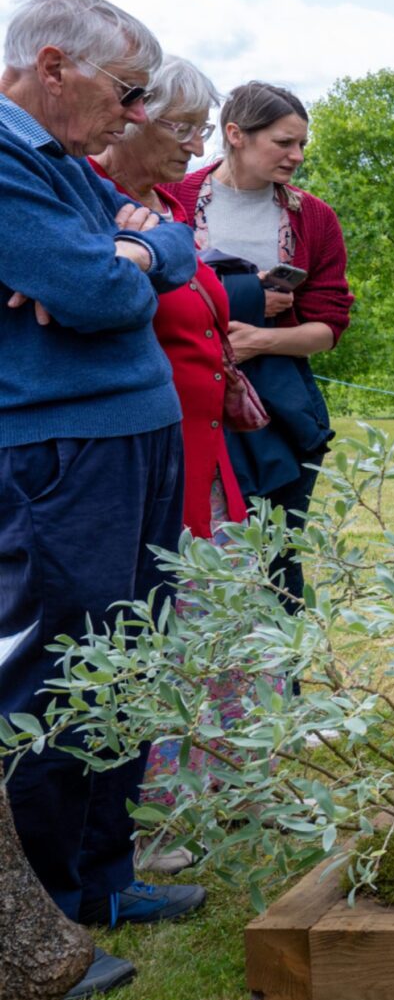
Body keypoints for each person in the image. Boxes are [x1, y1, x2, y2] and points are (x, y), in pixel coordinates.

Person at [0, 0, 207, 1000]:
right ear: (53, 66)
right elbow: (97, 292)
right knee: (61, 669)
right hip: (60, 449)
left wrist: (136, 246)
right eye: (125, 92)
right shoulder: (8, 160)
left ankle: (105, 877)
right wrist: (122, 257)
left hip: (132, 433)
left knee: (131, 659)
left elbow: (171, 247)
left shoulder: (62, 164)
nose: (133, 116)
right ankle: (41, 919)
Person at [95, 57, 267, 868]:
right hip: (147, 457)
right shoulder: (95, 200)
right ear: (129, 116)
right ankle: (149, 817)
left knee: (224, 626)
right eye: (182, 127)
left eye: (201, 129)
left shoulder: (167, 211)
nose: (196, 145)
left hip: (207, 451)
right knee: (160, 637)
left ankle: (228, 787)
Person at [167, 83, 353, 607]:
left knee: (279, 557)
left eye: (302, 145)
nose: (297, 156)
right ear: (236, 134)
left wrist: (259, 340)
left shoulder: (314, 217)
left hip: (278, 408)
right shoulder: (173, 197)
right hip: (186, 403)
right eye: (283, 142)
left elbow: (329, 326)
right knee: (189, 554)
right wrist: (246, 297)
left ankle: (286, 658)